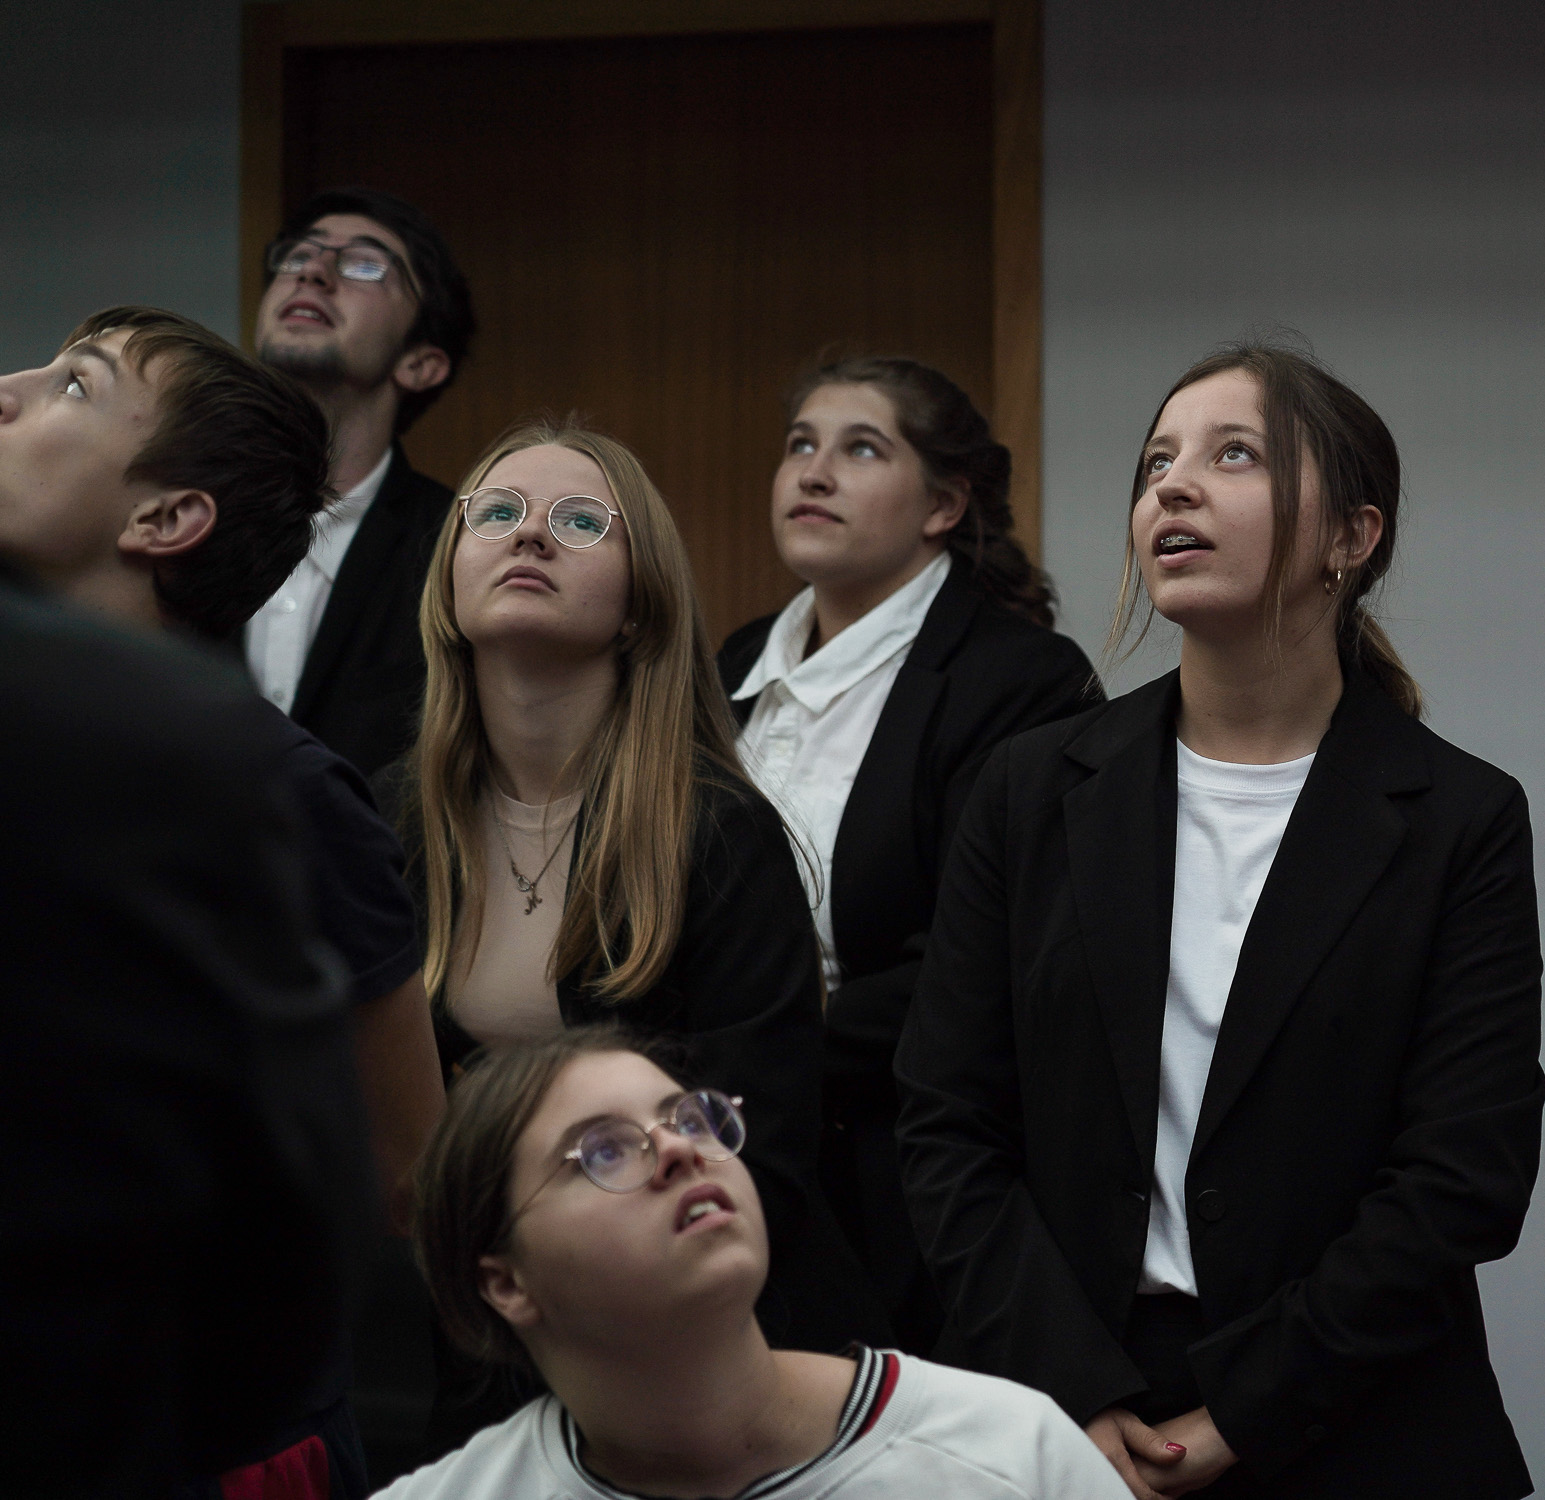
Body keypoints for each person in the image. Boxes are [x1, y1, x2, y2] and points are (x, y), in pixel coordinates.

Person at [895, 342, 1545, 1499]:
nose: (1171, 489)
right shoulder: (1031, 787)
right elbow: (946, 1122)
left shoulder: (1459, 817)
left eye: (1231, 455)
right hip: (1059, 1404)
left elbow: (1464, 1176)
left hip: (1353, 1412)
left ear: (1353, 536)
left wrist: (1241, 1414)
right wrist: (1073, 1392)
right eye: (1155, 465)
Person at [0, 304, 448, 1497]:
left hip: (195, 1442)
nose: (6, 389)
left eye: (74, 387)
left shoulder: (280, 793)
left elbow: (406, 1166)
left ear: (165, 516)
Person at [394, 416, 883, 1444]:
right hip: (459, 1335)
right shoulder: (384, 819)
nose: (531, 536)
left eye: (580, 521)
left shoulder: (719, 830)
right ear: (448, 581)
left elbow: (766, 1156)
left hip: (697, 1347)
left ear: (636, 605)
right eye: (496, 513)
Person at [717, 356, 1098, 1352]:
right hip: (721, 1143)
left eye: (860, 449)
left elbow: (988, 965)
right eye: (801, 444)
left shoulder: (1021, 681)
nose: (813, 471)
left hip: (898, 1166)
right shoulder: (727, 664)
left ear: (945, 504)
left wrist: (748, 1051)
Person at [376, 1026, 1133, 1500]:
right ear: (506, 1282)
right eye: (604, 1151)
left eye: (690, 1117)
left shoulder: (1006, 1451)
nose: (678, 1149)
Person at [249, 186, 477, 777]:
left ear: (420, 362)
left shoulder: (459, 551)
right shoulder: (165, 513)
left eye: (365, 265)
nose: (314, 273)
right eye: (298, 256)